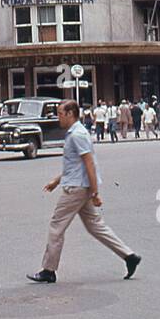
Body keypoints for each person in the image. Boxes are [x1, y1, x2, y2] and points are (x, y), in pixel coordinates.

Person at [27, 100, 141, 285]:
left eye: (60, 114)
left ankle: (49, 270)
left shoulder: (77, 134)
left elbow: (89, 163)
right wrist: (57, 180)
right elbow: (76, 165)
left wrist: (95, 192)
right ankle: (129, 256)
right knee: (95, 225)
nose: (58, 118)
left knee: (56, 226)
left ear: (71, 113)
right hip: (80, 186)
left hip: (76, 190)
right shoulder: (76, 133)